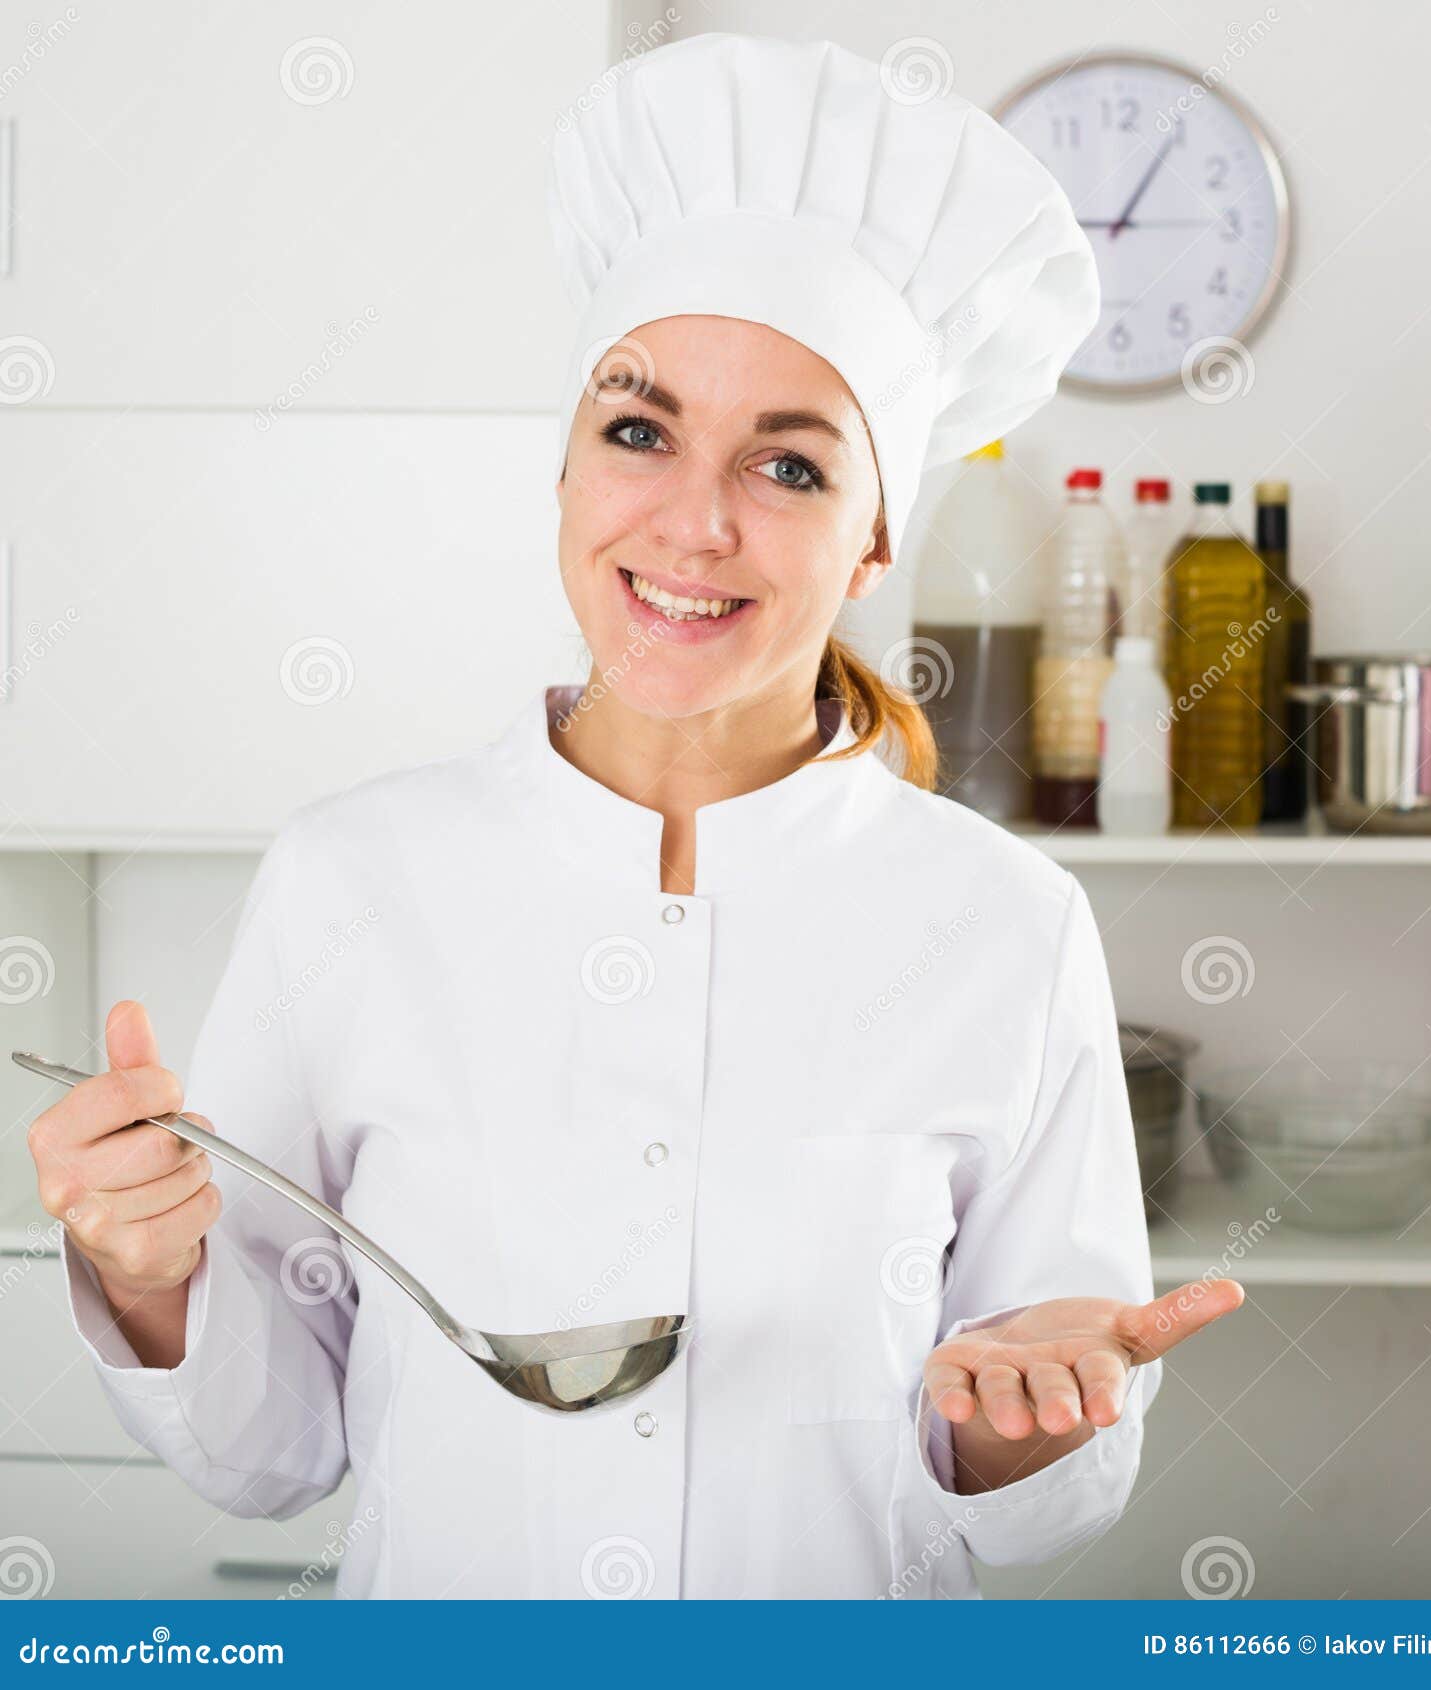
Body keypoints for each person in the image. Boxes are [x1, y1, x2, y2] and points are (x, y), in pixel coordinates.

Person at [24, 32, 1242, 1600]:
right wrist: (151, 1268)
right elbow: (276, 1448)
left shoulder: (1004, 922)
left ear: (874, 543)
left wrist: (1024, 1424)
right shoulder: (352, 879)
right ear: (565, 469)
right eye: (639, 428)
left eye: (790, 467)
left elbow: (1036, 1488)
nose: (695, 522)